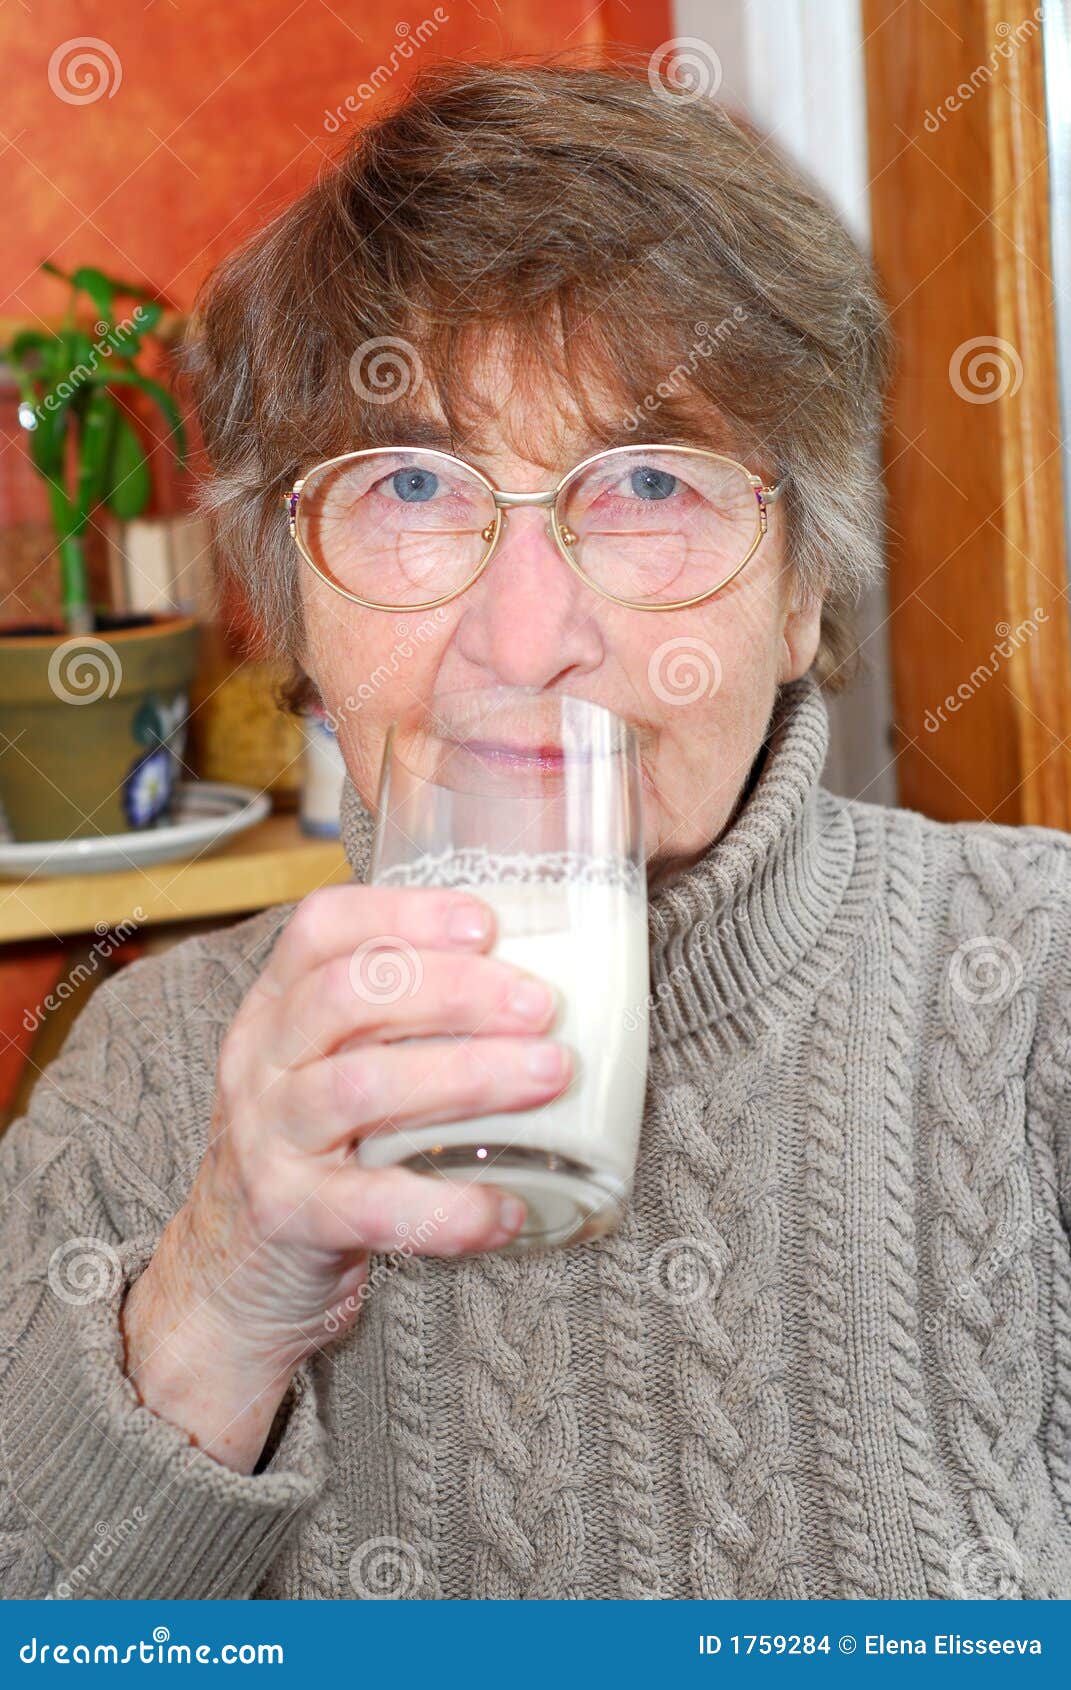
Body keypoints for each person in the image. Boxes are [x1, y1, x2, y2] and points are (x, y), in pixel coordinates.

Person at [2, 57, 1069, 1603]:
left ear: (798, 588)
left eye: (646, 479)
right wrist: (223, 1288)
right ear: (296, 610)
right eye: (413, 485)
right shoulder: (145, 1080)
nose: (525, 635)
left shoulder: (1032, 991)